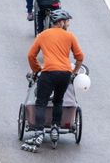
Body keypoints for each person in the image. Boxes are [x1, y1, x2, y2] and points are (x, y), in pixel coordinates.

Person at [25, 8, 84, 147]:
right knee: (58, 101)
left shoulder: (43, 35)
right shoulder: (70, 36)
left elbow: (30, 56)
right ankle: (55, 128)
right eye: (67, 21)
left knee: (41, 102)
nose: (68, 24)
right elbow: (80, 57)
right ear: (61, 22)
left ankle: (39, 132)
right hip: (65, 73)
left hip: (49, 72)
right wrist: (74, 72)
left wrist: (37, 69)